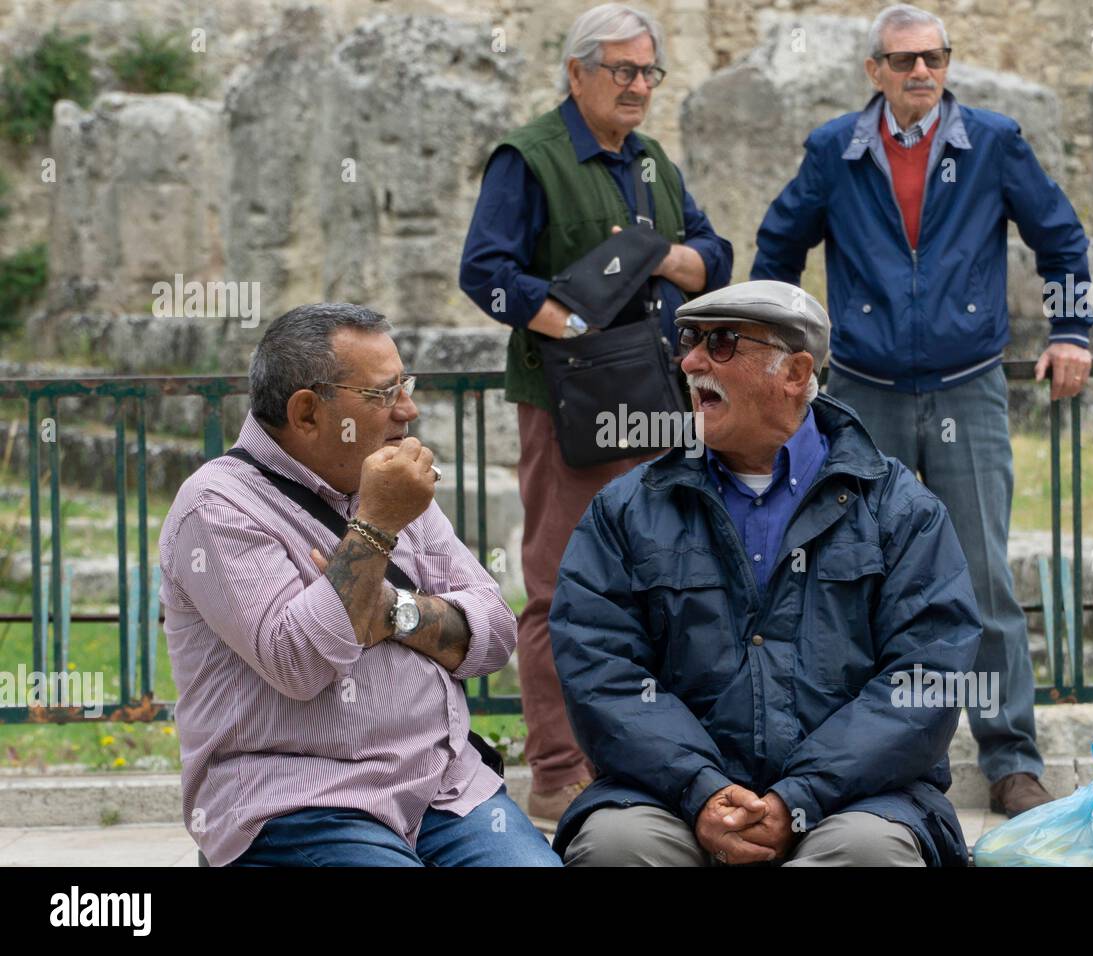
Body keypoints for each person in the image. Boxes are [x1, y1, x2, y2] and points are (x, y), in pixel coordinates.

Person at [750, 2, 1093, 816]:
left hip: (968, 385)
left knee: (981, 576)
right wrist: (781, 356)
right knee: (845, 571)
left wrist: (1072, 328)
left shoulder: (994, 142)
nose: (921, 74)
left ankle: (1011, 757)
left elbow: (1062, 238)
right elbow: (776, 248)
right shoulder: (836, 150)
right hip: (862, 391)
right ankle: (847, 750)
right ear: (874, 71)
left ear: (947, 64)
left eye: (934, 59)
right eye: (903, 61)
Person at [549, 280, 982, 866]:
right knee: (615, 847)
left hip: (854, 798)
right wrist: (701, 791)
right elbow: (599, 668)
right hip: (672, 797)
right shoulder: (627, 509)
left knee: (870, 853)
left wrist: (798, 798)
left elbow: (925, 677)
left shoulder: (900, 510)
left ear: (797, 373)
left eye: (722, 343)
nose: (692, 361)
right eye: (689, 340)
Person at [159, 303, 559, 867]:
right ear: (306, 413)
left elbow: (493, 632)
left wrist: (393, 609)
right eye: (383, 394)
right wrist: (375, 526)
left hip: (441, 788)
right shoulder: (218, 509)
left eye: (406, 385)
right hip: (300, 800)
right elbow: (300, 663)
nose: (409, 410)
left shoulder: (386, 482)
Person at [459, 2, 732, 821]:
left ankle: (653, 757)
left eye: (649, 72)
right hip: (569, 409)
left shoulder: (652, 163)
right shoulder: (528, 158)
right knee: (559, 588)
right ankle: (556, 769)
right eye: (623, 70)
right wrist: (574, 323)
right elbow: (487, 272)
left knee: (667, 580)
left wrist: (664, 256)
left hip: (659, 406)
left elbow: (716, 257)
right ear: (576, 73)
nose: (639, 86)